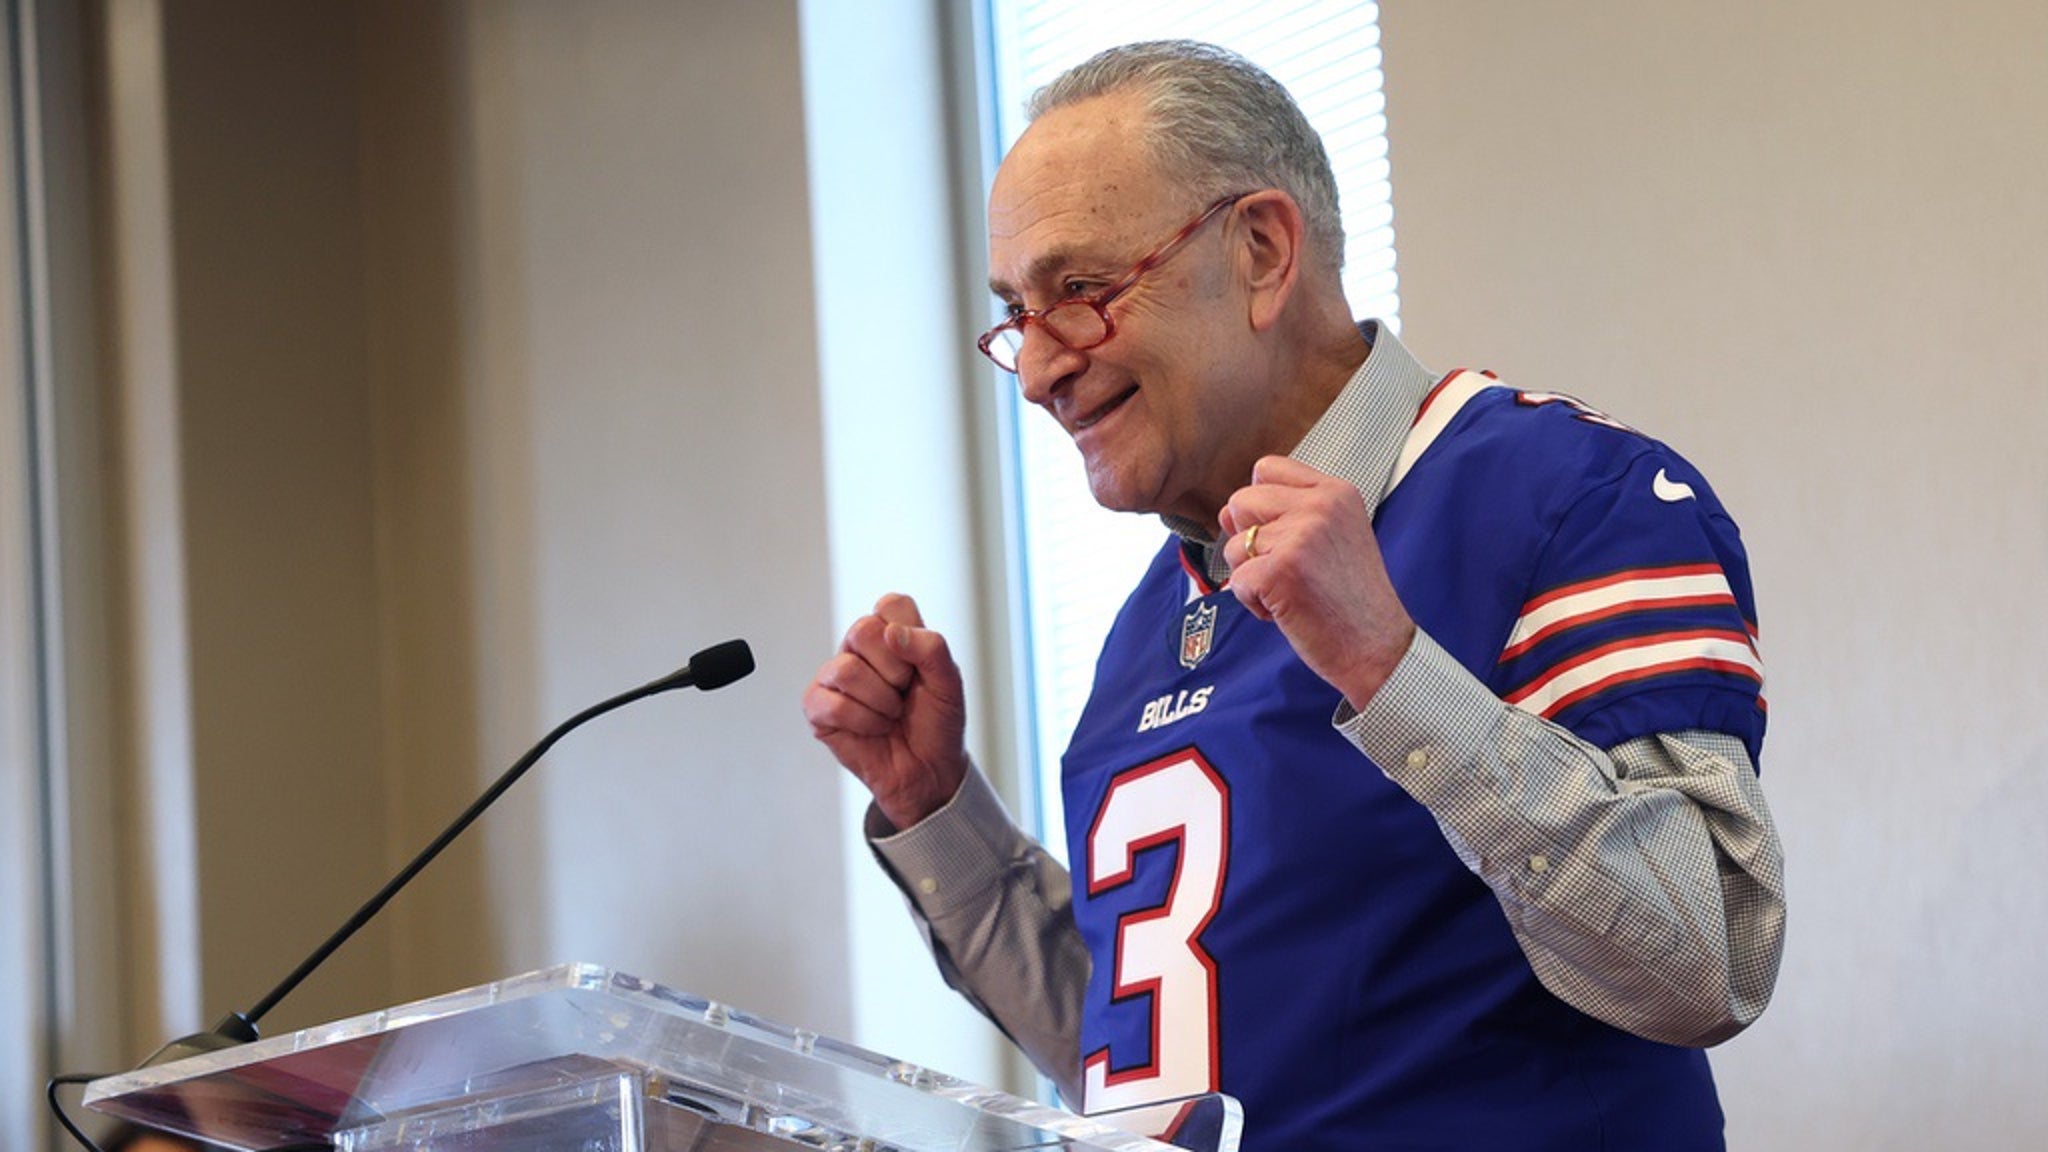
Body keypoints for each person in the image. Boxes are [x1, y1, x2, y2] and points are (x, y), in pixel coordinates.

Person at [803, 40, 1784, 1151]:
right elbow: (1155, 1068)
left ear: (1262, 252)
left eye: (1078, 292)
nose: (1034, 370)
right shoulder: (1145, 626)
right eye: (1015, 314)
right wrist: (939, 810)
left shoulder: (1565, 495)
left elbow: (1706, 963)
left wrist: (1387, 667)